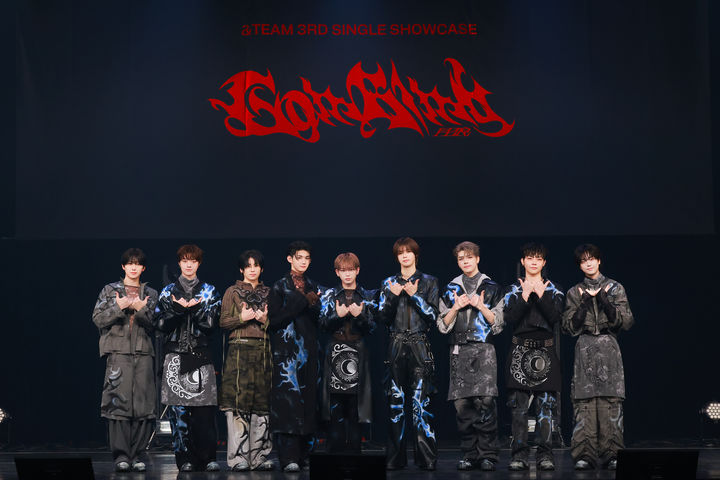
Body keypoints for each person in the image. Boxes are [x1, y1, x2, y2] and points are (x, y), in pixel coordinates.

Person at [562, 244, 634, 471]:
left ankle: (613, 454)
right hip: (585, 347)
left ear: (599, 260)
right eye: (584, 261)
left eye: (591, 259)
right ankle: (584, 454)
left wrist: (604, 300)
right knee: (584, 402)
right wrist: (584, 304)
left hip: (608, 346)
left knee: (610, 402)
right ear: (580, 265)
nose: (589, 263)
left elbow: (626, 322)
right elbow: (568, 327)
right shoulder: (574, 292)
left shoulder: (615, 287)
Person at [437, 241, 504, 471]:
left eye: (469, 257)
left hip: (484, 349)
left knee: (486, 402)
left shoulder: (492, 287)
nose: (465, 261)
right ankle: (469, 454)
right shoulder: (450, 289)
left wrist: (481, 306)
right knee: (462, 405)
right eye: (461, 258)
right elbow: (442, 325)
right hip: (459, 349)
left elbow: (499, 324)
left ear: (477, 259)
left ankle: (488, 454)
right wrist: (455, 308)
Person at [92, 248, 158, 472]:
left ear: (143, 267)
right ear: (123, 266)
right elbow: (98, 318)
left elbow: (158, 324)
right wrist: (118, 307)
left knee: (143, 405)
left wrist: (141, 309)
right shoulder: (110, 290)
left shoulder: (151, 293)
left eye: (137, 264)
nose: (133, 267)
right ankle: (121, 456)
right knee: (117, 404)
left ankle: (137, 455)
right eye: (129, 263)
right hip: (118, 353)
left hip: (143, 353)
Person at [156, 244, 221, 472]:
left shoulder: (209, 291)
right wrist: (178, 310)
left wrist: (195, 309)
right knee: (178, 413)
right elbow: (160, 324)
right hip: (175, 355)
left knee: (204, 412)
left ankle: (208, 458)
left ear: (198, 263)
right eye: (185, 261)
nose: (189, 265)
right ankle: (184, 459)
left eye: (193, 261)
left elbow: (212, 325)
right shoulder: (168, 292)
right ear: (179, 263)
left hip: (200, 354)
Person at [378, 237, 439, 470]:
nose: (405, 256)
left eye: (408, 252)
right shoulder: (388, 283)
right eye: (400, 253)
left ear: (415, 255)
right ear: (397, 257)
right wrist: (393, 297)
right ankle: (395, 459)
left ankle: (427, 459)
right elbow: (382, 318)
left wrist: (415, 295)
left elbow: (433, 317)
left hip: (419, 344)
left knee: (421, 405)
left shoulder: (429, 282)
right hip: (395, 345)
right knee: (396, 404)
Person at [502, 243, 564, 471]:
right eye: (530, 258)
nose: (534, 262)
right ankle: (518, 455)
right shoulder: (512, 289)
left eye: (538, 258)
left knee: (545, 406)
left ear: (544, 262)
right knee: (518, 408)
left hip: (545, 350)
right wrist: (525, 295)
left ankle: (545, 455)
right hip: (520, 349)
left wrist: (541, 295)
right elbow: (510, 318)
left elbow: (555, 317)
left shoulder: (554, 289)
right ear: (523, 261)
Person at [267, 241, 322, 472]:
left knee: (309, 404)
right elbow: (274, 321)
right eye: (299, 257)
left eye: (307, 258)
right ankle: (288, 457)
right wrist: (302, 302)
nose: (303, 262)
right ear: (290, 259)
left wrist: (314, 305)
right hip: (286, 354)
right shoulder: (279, 286)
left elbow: (320, 320)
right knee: (287, 406)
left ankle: (306, 454)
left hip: (309, 352)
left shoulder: (314, 285)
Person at [219, 250, 274, 471]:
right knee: (237, 402)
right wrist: (242, 318)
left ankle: (259, 456)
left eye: (256, 265)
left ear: (261, 268)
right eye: (248, 266)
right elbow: (223, 322)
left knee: (262, 403)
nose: (252, 269)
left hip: (263, 349)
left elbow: (278, 323)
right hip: (239, 349)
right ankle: (238, 458)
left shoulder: (269, 292)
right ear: (241, 269)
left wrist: (265, 319)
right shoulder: (232, 291)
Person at [318, 253, 377, 453]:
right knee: (334, 407)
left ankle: (354, 453)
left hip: (357, 353)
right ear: (337, 272)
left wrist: (360, 316)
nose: (347, 274)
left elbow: (373, 327)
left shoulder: (368, 295)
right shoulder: (329, 294)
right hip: (335, 351)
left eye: (351, 270)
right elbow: (322, 325)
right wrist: (337, 315)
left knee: (355, 408)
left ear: (357, 270)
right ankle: (334, 454)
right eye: (343, 270)